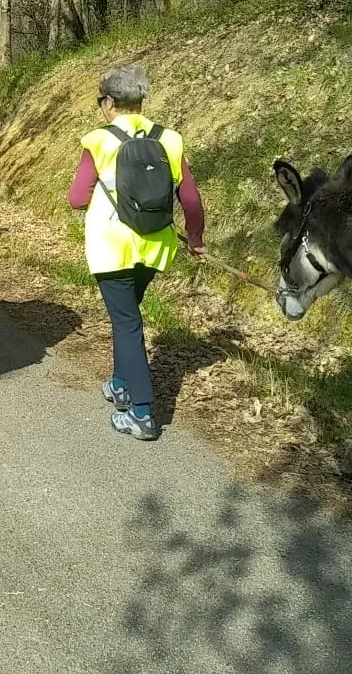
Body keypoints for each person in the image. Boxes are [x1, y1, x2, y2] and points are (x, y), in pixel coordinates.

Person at [68, 64, 205, 440]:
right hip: (156, 246)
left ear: (110, 102)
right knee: (125, 316)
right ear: (140, 101)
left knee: (126, 321)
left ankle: (142, 412)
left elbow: (77, 199)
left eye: (102, 101)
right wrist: (195, 239)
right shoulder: (171, 139)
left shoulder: (98, 140)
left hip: (110, 246)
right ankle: (119, 383)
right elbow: (190, 199)